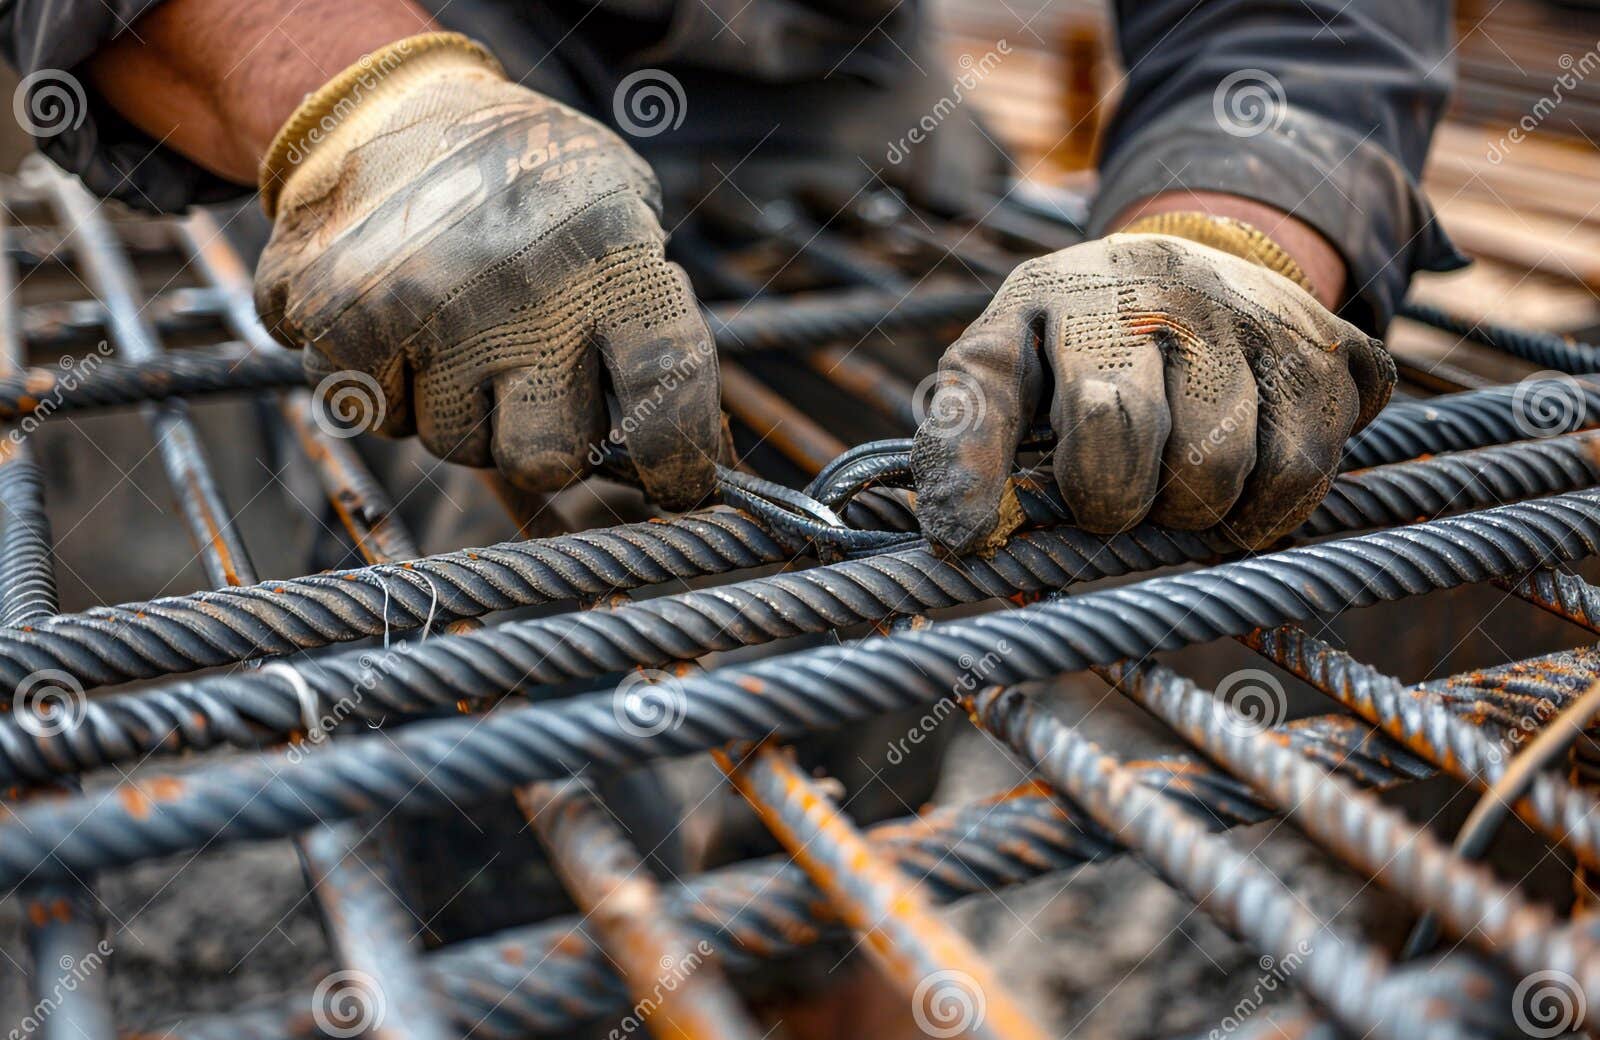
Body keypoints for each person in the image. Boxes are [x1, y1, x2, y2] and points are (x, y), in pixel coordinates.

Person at [2, 0, 1459, 552]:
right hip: (418, 21)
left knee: (959, 501)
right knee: (481, 529)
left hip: (832, 70)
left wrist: (1234, 225)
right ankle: (528, 995)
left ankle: (821, 956)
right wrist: (355, 108)